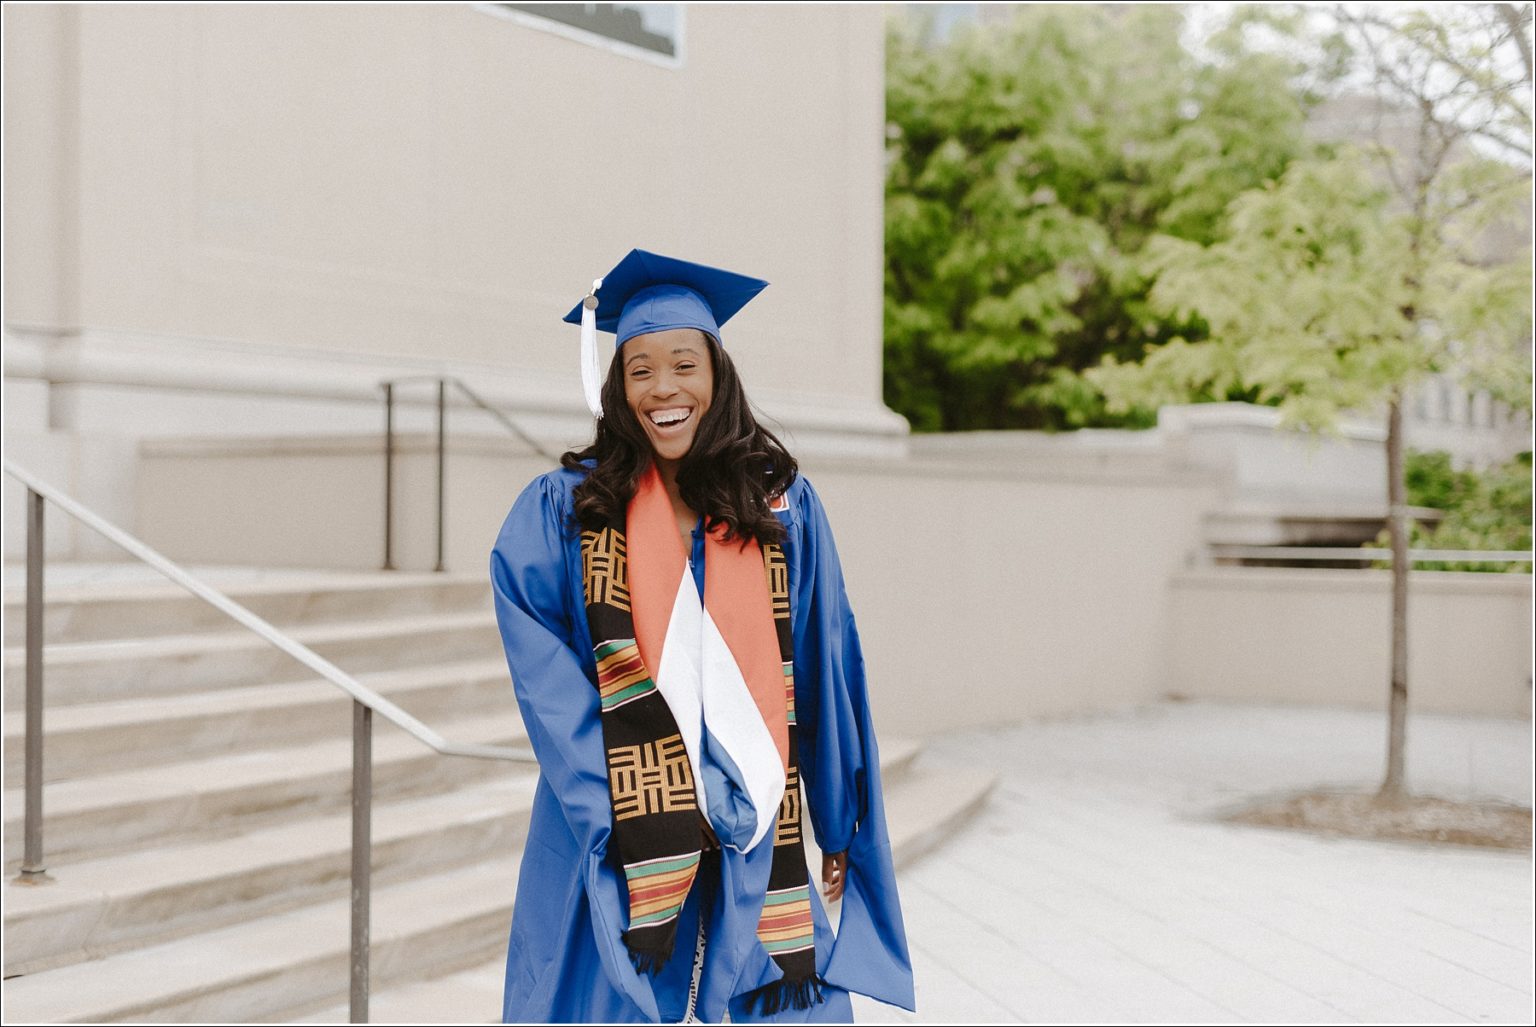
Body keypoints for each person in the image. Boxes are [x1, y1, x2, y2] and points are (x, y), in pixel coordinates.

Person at [489, 249, 915, 1024]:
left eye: (683, 364)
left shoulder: (781, 507)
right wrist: (622, 810)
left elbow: (824, 661)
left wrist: (837, 808)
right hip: (619, 824)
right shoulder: (569, 511)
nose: (663, 389)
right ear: (617, 388)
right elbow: (545, 676)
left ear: (717, 377)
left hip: (759, 824)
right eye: (639, 369)